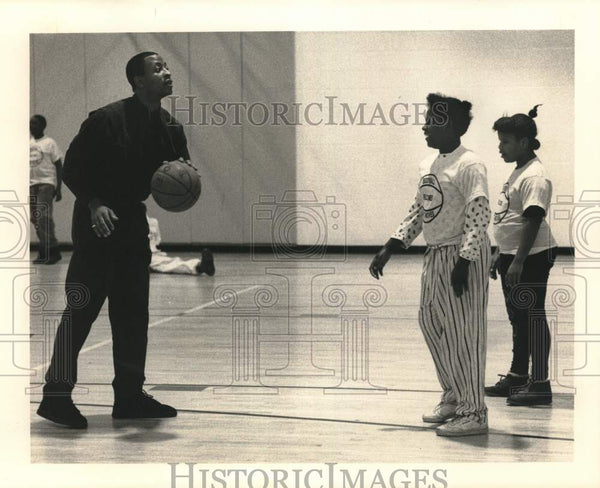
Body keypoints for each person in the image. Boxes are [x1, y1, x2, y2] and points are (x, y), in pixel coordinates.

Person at [37, 51, 190, 429]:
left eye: (167, 67)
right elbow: (71, 168)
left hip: (132, 224)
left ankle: (129, 397)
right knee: (80, 312)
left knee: (133, 316)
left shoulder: (170, 127)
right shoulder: (105, 120)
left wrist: (186, 180)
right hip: (97, 223)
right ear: (138, 81)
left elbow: (178, 172)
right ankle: (55, 398)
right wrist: (94, 204)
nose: (167, 72)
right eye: (158, 68)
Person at [369, 93, 492, 437]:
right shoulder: (429, 165)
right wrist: (390, 247)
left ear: (451, 126)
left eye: (432, 121)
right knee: (430, 322)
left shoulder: (470, 165)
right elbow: (419, 211)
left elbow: (479, 215)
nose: (424, 125)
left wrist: (465, 262)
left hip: (462, 255)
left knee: (463, 334)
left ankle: (475, 412)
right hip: (436, 254)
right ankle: (454, 395)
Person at [485, 105, 558, 406]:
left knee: (533, 318)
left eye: (505, 142)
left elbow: (533, 219)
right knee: (519, 319)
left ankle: (540, 384)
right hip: (512, 255)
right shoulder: (519, 170)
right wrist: (499, 253)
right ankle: (518, 376)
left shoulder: (535, 176)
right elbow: (509, 217)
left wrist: (518, 260)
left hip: (531, 257)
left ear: (524, 142)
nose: (500, 147)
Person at [30, 115, 63, 264]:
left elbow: (58, 164)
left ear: (42, 126)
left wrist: (59, 187)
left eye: (35, 123)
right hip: (32, 185)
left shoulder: (49, 143)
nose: (31, 126)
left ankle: (53, 251)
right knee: (36, 219)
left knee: (44, 217)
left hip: (46, 183)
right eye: (30, 123)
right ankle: (44, 251)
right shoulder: (28, 143)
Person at [147, 214, 215, 275]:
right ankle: (199, 267)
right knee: (165, 263)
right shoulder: (141, 222)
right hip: (141, 256)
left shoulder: (153, 222)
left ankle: (201, 266)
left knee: (170, 262)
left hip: (151, 254)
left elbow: (157, 241)